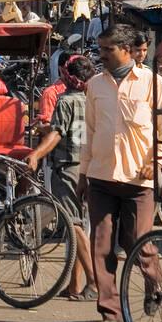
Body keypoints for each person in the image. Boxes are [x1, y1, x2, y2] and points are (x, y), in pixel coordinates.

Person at [80, 23, 162, 322]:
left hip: (140, 180)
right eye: (100, 49)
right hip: (101, 177)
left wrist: (155, 165)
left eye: (108, 50)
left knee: (139, 243)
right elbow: (88, 133)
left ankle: (155, 286)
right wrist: (82, 173)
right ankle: (110, 311)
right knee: (101, 245)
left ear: (127, 51)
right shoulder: (95, 85)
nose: (101, 55)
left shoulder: (153, 84)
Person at [25, 55, 99, 301]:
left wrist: (36, 154)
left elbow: (57, 134)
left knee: (74, 225)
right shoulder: (93, 100)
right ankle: (74, 287)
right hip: (90, 166)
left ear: (67, 77)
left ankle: (94, 280)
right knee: (79, 225)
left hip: (68, 167)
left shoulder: (65, 101)